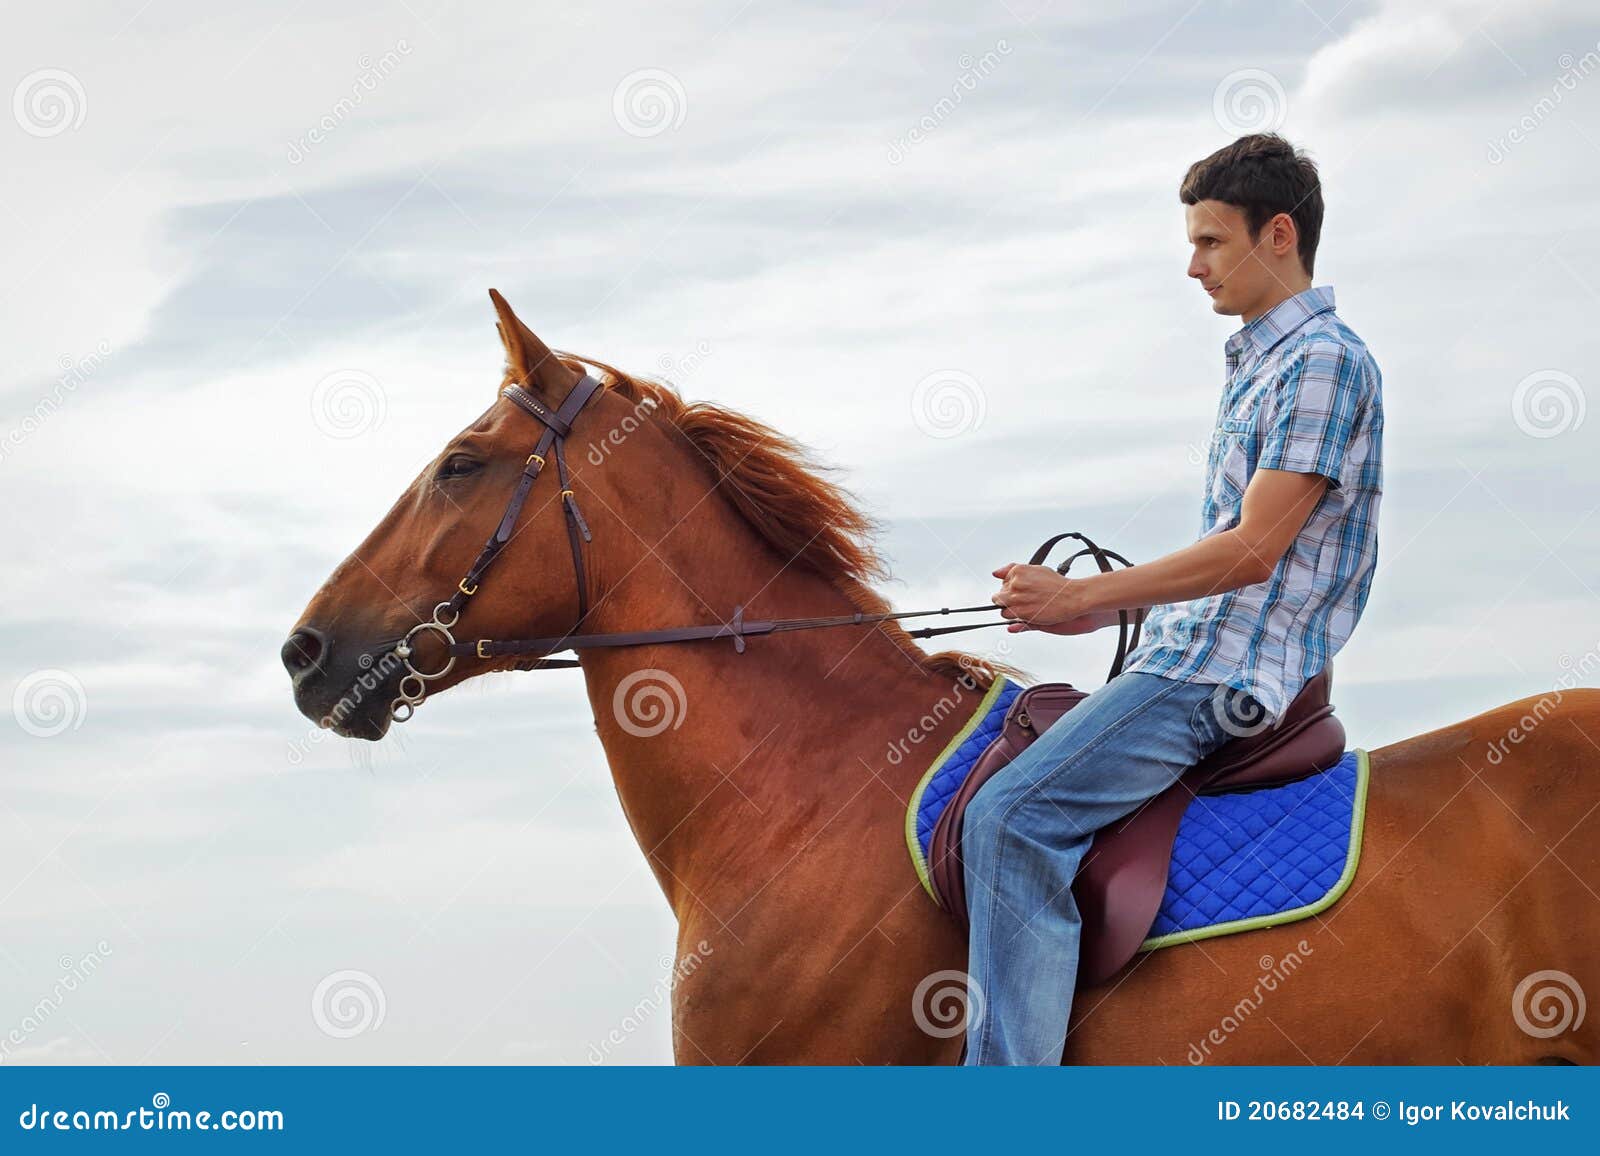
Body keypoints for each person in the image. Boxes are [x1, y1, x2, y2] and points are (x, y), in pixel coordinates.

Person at [962, 133, 1384, 1065]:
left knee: (1009, 818)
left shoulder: (1320, 363)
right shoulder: (1264, 363)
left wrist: (1082, 594)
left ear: (1280, 235)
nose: (1192, 267)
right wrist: (1096, 611)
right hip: (1202, 651)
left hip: (1217, 681)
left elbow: (1251, 552)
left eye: (1211, 242)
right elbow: (1232, 567)